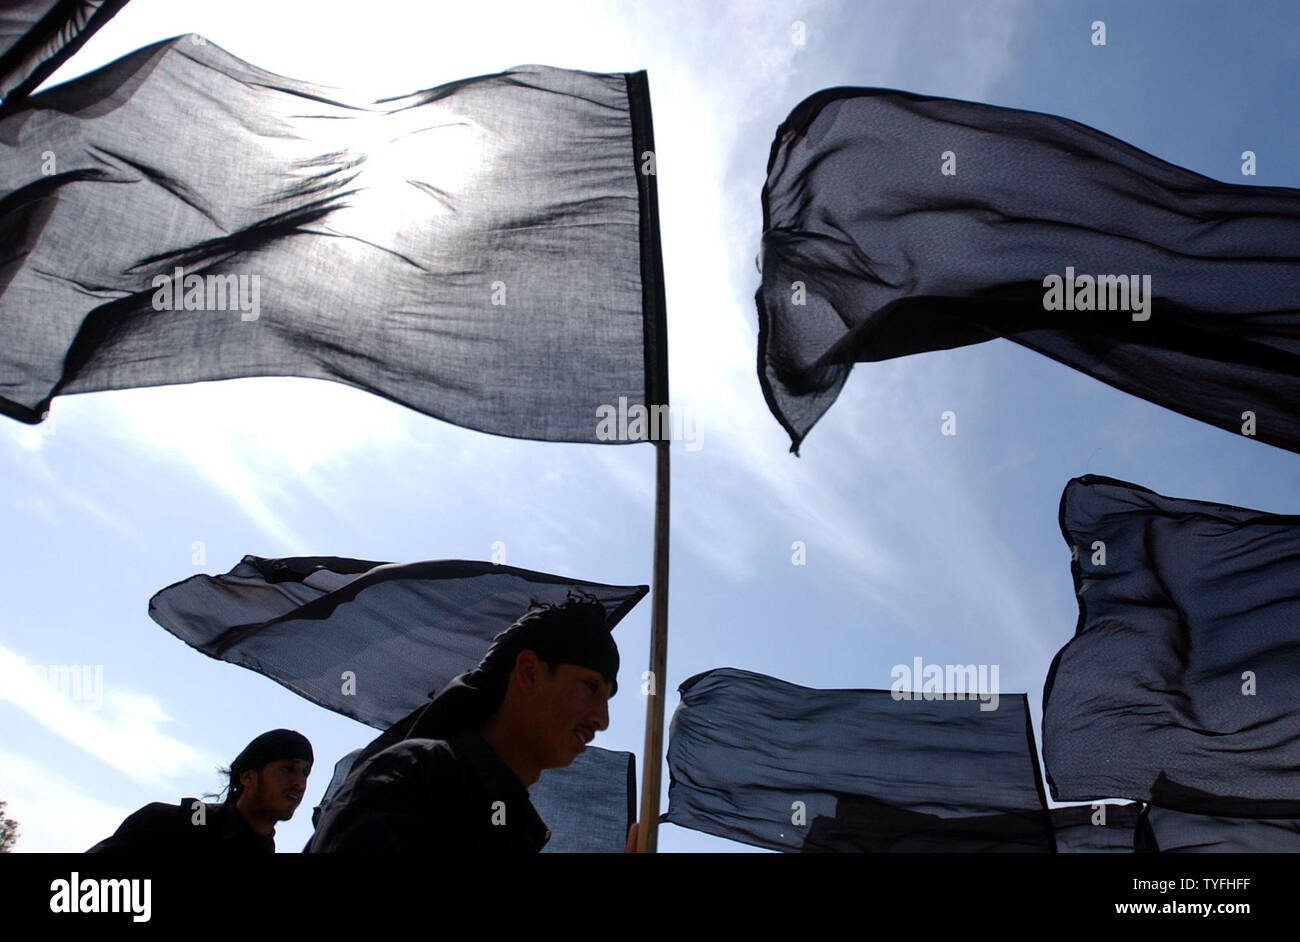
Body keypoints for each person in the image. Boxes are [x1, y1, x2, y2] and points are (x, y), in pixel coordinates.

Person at [307, 592, 637, 853]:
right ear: (529, 672)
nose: (602, 719)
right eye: (591, 687)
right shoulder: (412, 778)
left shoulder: (514, 827)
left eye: (608, 698)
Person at [86, 728, 313, 853]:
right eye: (287, 769)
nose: (299, 782)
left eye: (305, 772)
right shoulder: (169, 824)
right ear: (248, 776)